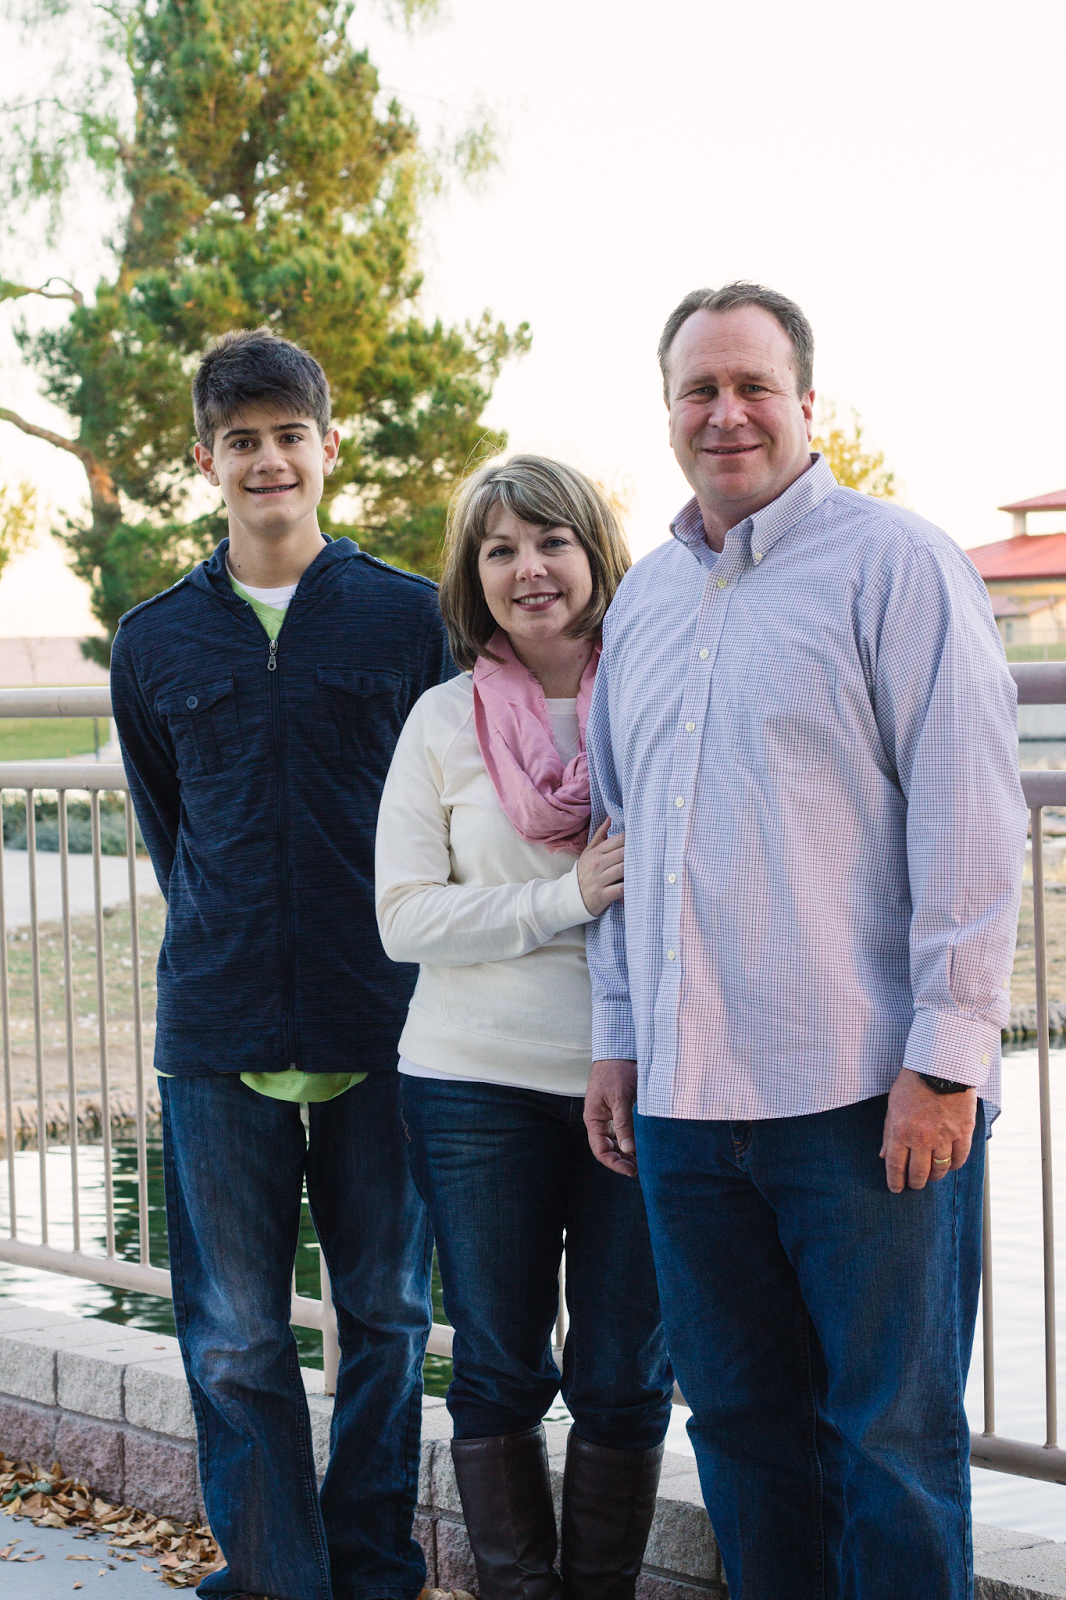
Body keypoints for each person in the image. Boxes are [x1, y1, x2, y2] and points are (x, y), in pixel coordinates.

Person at [581, 283, 1027, 1600]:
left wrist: (946, 1060)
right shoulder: (646, 604)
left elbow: (970, 818)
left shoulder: (898, 564)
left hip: (861, 1100)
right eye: (697, 390)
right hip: (684, 1111)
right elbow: (621, 838)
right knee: (738, 1435)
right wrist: (617, 1043)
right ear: (666, 412)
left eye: (751, 385)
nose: (725, 413)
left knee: (887, 1442)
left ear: (804, 402)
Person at [110, 328, 456, 1600]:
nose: (268, 460)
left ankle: (369, 1567)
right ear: (208, 461)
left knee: (385, 1319)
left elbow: (451, 809)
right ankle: (271, 1576)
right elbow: (170, 830)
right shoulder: (154, 642)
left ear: (326, 448)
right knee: (235, 1336)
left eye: (288, 436)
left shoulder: (411, 615)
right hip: (218, 1029)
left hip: (388, 1021)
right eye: (241, 441)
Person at [375, 455, 673, 1600]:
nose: (528, 568)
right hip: (471, 1084)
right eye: (499, 548)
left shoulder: (660, 694)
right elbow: (404, 918)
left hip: (644, 1075)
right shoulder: (441, 721)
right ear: (472, 575)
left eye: (550, 540)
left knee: (621, 1370)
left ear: (595, 551)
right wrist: (567, 894)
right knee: (497, 1364)